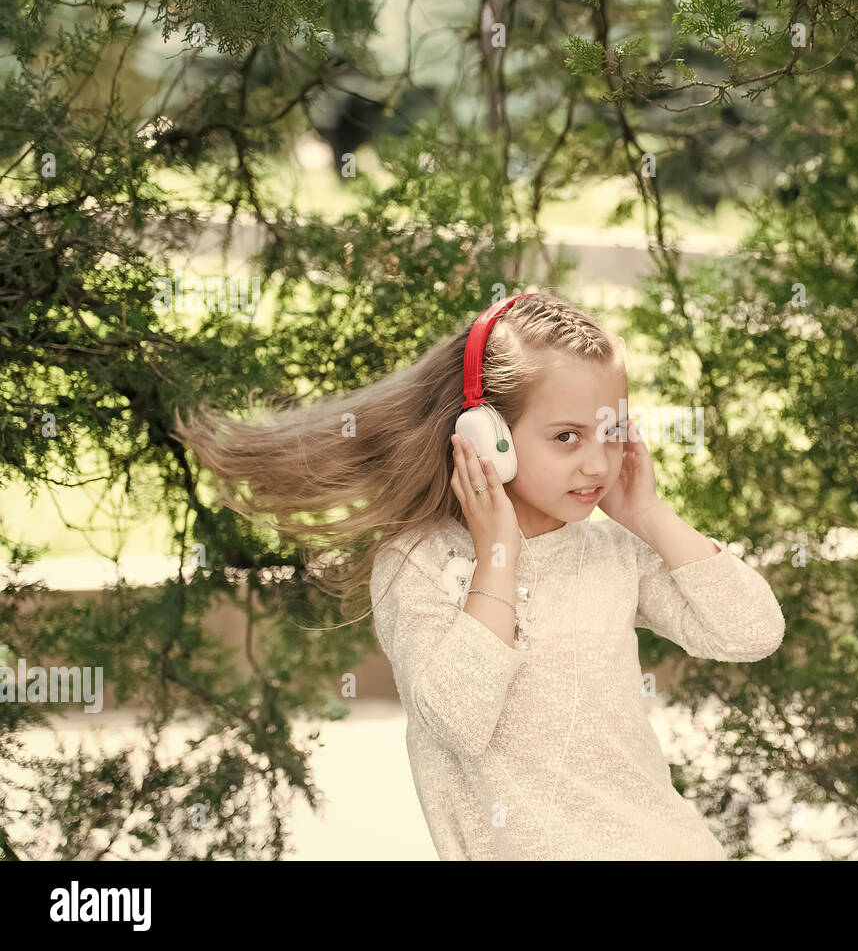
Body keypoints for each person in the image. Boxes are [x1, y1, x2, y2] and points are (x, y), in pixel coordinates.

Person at [174, 291, 786, 859]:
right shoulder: (422, 562)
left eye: (611, 433)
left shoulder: (612, 551)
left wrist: (649, 515)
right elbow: (459, 722)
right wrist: (498, 556)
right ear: (485, 436)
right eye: (567, 437)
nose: (597, 462)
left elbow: (750, 632)